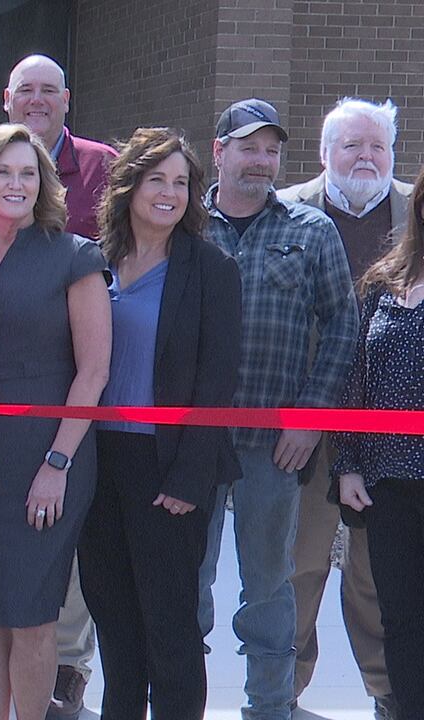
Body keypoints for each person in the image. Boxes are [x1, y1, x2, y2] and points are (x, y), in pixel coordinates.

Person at [0, 53, 116, 717]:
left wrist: (58, 464)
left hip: (45, 452)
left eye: (27, 173)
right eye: (3, 172)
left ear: (44, 184)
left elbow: (94, 370)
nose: (16, 184)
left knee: (34, 613)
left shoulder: (75, 256)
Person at [197, 98, 359, 720]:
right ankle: (183, 698)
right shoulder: (186, 225)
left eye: (271, 150)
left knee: (268, 589)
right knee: (189, 583)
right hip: (194, 444)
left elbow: (342, 327)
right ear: (219, 150)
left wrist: (311, 416)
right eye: (248, 147)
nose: (262, 161)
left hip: (274, 444)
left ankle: (268, 707)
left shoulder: (309, 230)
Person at [76, 127, 242, 720]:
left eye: (182, 182)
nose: (170, 193)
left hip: (168, 470)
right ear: (129, 186)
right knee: (116, 626)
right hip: (97, 466)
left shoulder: (212, 269)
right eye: (157, 180)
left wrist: (188, 481)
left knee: (170, 632)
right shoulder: (92, 260)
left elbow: (217, 385)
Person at [276, 97, 409, 719]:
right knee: (299, 569)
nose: (366, 157)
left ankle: (390, 694)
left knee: (376, 579)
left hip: (392, 434)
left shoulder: (416, 209)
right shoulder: (288, 211)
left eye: (377, 146)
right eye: (352, 146)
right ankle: (285, 690)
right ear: (324, 153)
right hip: (307, 424)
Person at [333, 167, 424, 720]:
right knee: (401, 617)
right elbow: (355, 378)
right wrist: (347, 463)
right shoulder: (383, 281)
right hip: (388, 482)